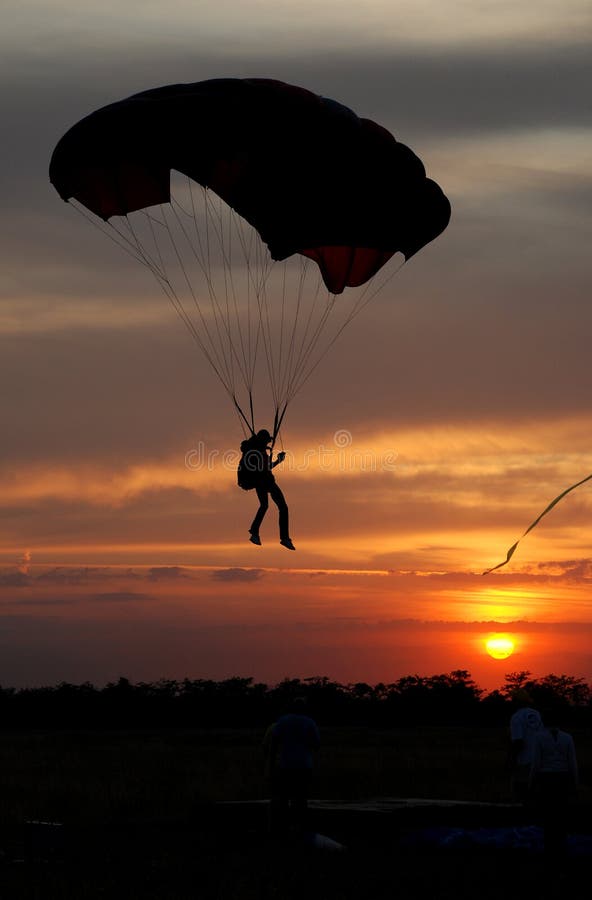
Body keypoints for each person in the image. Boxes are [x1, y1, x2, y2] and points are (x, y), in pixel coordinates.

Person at [267, 697, 320, 836]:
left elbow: (274, 742)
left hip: (285, 765)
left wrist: (272, 763)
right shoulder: (310, 722)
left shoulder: (283, 720)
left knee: (283, 797)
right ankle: (300, 829)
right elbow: (316, 745)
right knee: (301, 798)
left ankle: (283, 829)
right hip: (304, 765)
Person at [529, 720, 579, 858]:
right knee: (561, 812)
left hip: (546, 779)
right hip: (563, 778)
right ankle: (560, 843)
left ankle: (549, 844)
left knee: (548, 812)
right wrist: (575, 783)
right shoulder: (567, 737)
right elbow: (572, 762)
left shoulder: (539, 737)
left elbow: (536, 762)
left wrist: (531, 782)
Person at [245, 429, 295, 550]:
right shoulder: (258, 452)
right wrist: (278, 461)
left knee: (264, 505)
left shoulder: (257, 451)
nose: (268, 443)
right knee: (283, 507)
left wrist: (278, 461)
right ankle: (284, 538)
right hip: (266, 481)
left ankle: (254, 532)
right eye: (267, 441)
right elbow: (265, 468)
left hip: (260, 482)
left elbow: (266, 467)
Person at [507, 689, 543, 805]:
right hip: (539, 760)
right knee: (534, 794)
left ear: (517, 701)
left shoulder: (516, 717)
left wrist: (511, 760)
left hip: (523, 761)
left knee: (520, 794)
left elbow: (518, 742)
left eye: (513, 699)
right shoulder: (537, 714)